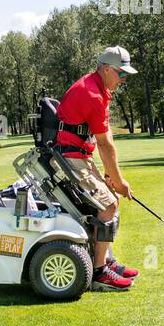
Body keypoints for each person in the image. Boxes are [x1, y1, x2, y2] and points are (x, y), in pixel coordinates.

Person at [55, 46, 141, 292]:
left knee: (111, 200)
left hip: (80, 155)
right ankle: (99, 273)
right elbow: (105, 144)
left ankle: (107, 261)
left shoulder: (99, 88)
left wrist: (110, 177)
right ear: (105, 69)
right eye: (121, 74)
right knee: (109, 205)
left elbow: (104, 136)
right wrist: (119, 180)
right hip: (71, 158)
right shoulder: (92, 93)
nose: (123, 80)